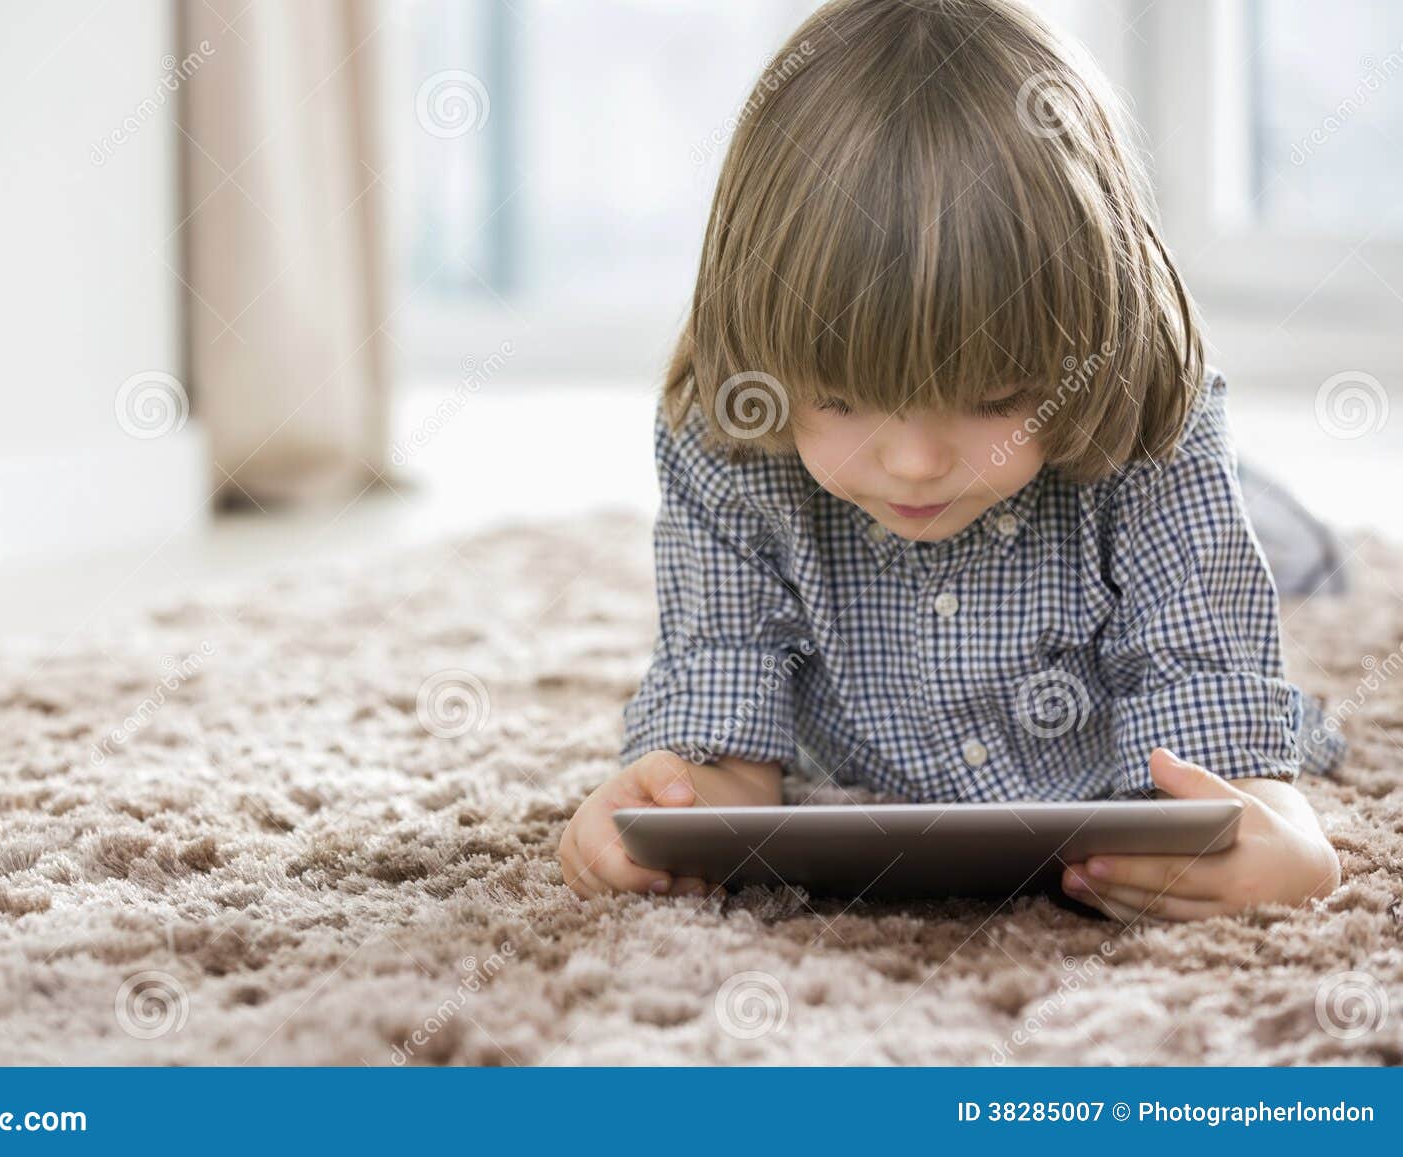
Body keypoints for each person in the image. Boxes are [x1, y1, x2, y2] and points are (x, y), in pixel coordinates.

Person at [559, 0, 1348, 921]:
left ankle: (1283, 521)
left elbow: (1225, 736)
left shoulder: (1142, 409)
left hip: (1148, 495)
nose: (917, 462)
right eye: (845, 400)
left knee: (1293, 556)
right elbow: (721, 741)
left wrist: (1290, 847)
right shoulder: (731, 430)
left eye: (993, 398)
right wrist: (665, 819)